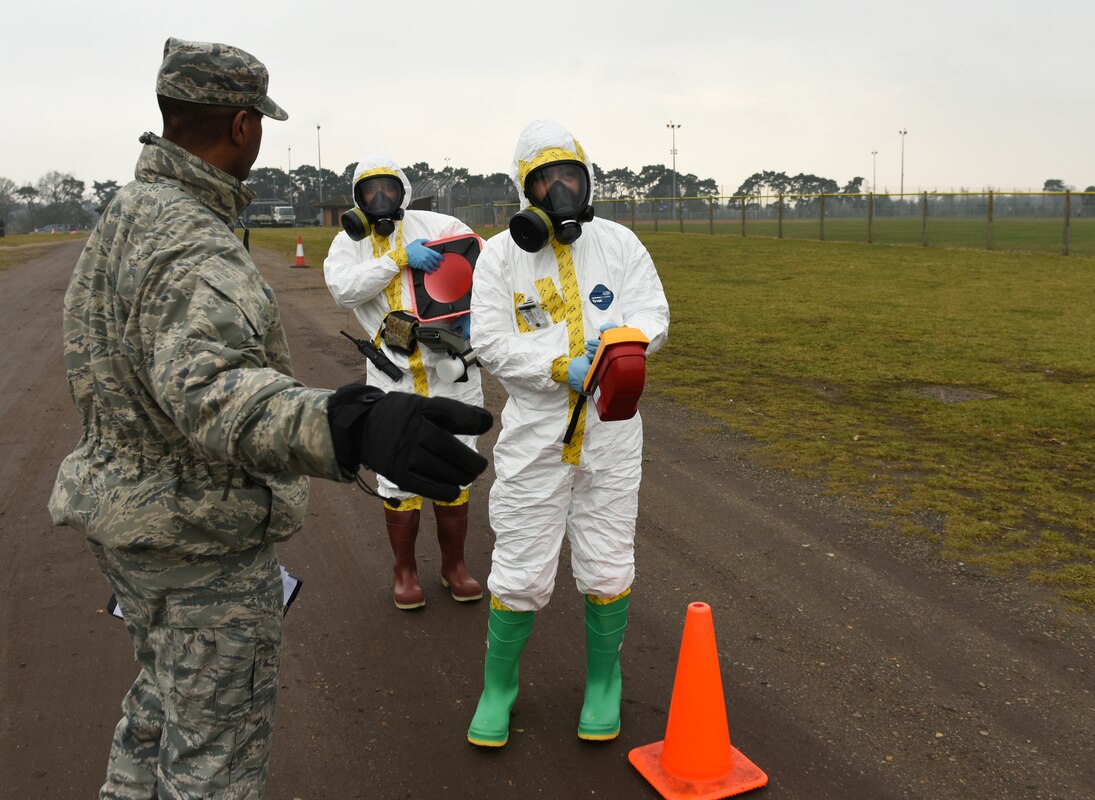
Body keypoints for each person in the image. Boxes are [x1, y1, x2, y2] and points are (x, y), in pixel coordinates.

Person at [47, 38, 492, 798]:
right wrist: (347, 425)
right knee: (214, 764)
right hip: (197, 545)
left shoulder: (128, 212)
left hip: (131, 523)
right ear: (243, 124)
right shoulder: (191, 242)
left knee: (156, 714)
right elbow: (213, 392)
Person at [465, 119, 670, 747]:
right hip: (536, 437)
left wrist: (616, 351)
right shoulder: (501, 255)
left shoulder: (621, 244)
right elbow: (490, 341)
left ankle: (603, 684)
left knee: (608, 561)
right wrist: (556, 365)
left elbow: (653, 314)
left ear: (588, 180)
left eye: (569, 177)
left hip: (612, 434)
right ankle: (498, 688)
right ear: (525, 189)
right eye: (544, 180)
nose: (560, 190)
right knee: (521, 565)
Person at [324, 156, 486, 609]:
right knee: (397, 473)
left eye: (388, 189)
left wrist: (474, 318)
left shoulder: (438, 224)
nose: (380, 199)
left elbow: (483, 266)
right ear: (357, 197)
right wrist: (397, 259)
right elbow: (344, 292)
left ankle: (454, 567)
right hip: (392, 373)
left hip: (449, 372)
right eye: (370, 191)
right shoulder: (348, 243)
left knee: (455, 460)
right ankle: (405, 571)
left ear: (403, 191)